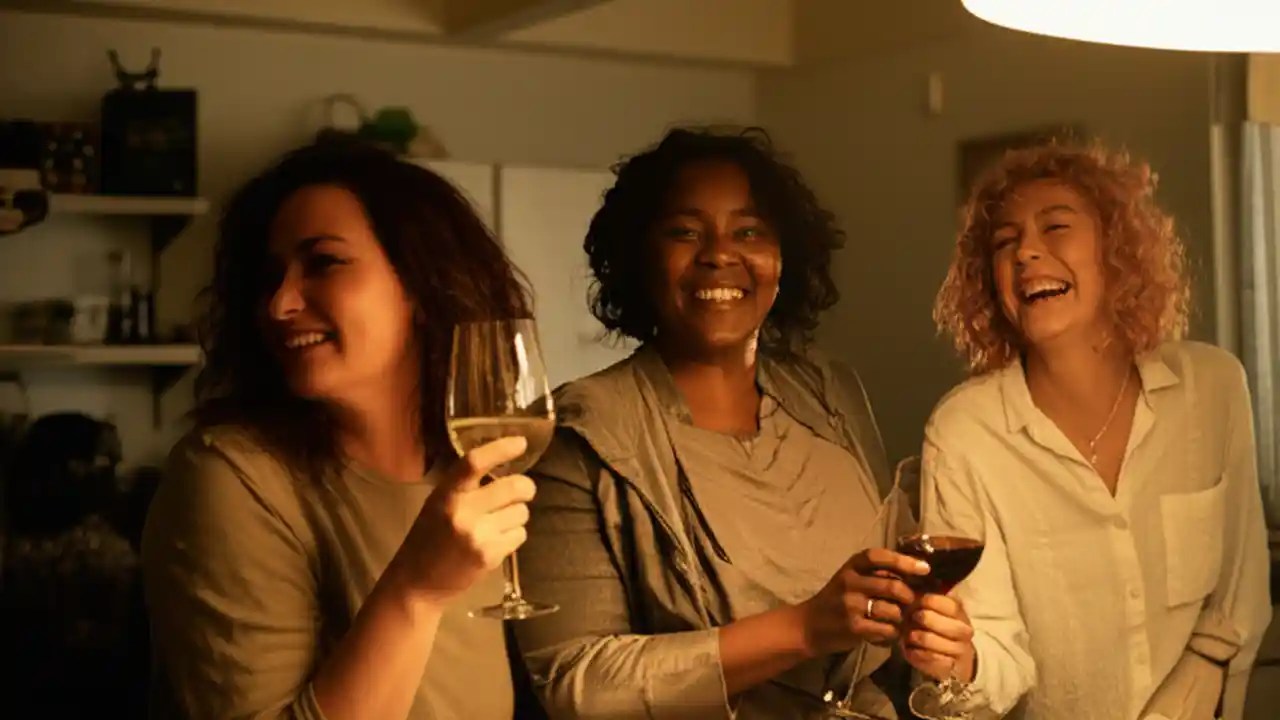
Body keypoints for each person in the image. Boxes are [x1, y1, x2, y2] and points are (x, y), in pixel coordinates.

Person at [514, 127, 939, 719]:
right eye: (685, 232)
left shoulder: (830, 395)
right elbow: (575, 684)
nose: (719, 252)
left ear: (782, 256)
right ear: (639, 255)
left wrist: (934, 645)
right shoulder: (580, 433)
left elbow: (887, 636)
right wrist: (803, 629)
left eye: (748, 231)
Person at [142, 138, 541, 719]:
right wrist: (417, 589)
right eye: (270, 276)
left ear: (422, 286)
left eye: (323, 262)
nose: (279, 303)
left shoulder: (471, 467)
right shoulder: (231, 476)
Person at [915, 141, 1272, 719]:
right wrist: (963, 661)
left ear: (1117, 250)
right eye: (1005, 243)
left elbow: (1239, 594)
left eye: (1055, 227)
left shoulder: (1212, 388)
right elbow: (995, 653)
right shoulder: (965, 433)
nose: (1027, 252)